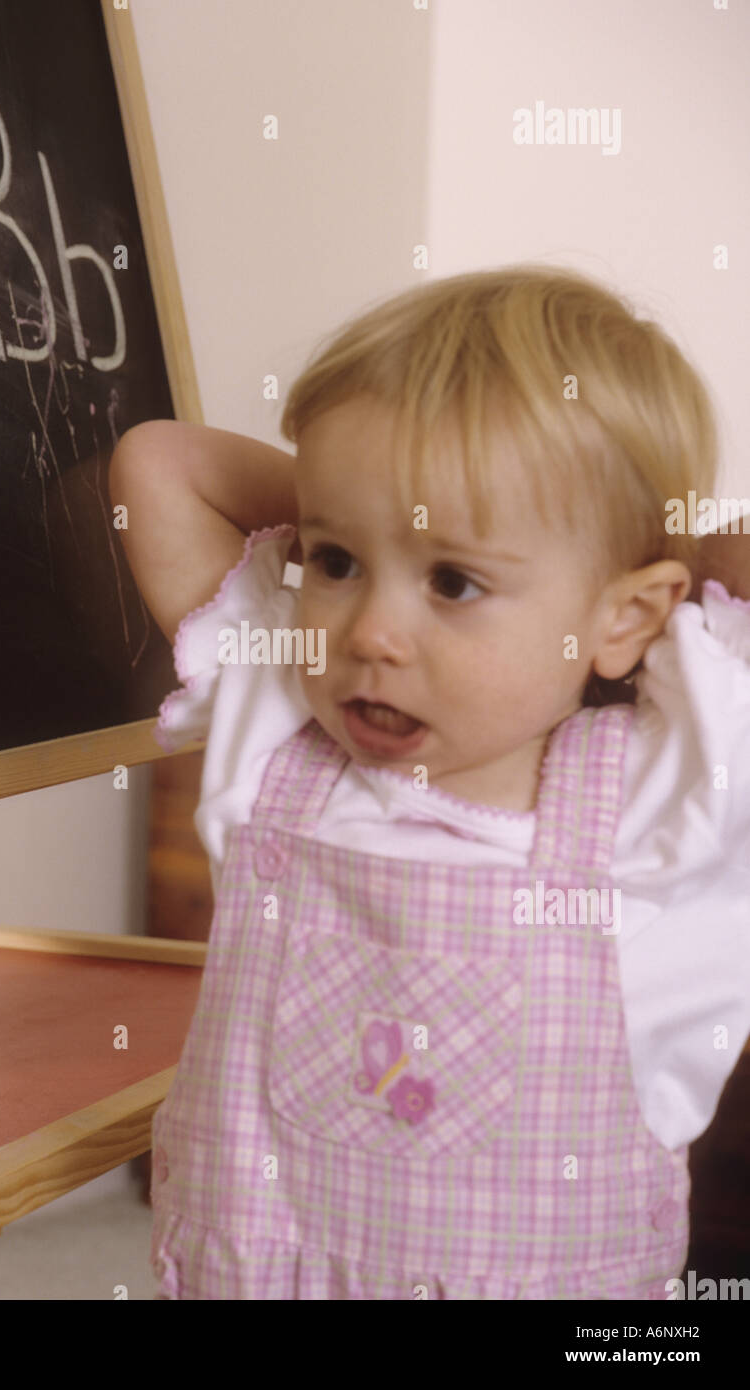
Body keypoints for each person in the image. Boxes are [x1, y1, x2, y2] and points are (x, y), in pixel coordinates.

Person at [110, 265, 750, 1300]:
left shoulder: (663, 803)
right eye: (334, 561)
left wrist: (639, 544)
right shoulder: (275, 727)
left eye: (454, 579)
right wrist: (380, 503)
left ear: (629, 618)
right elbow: (160, 463)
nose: (370, 634)